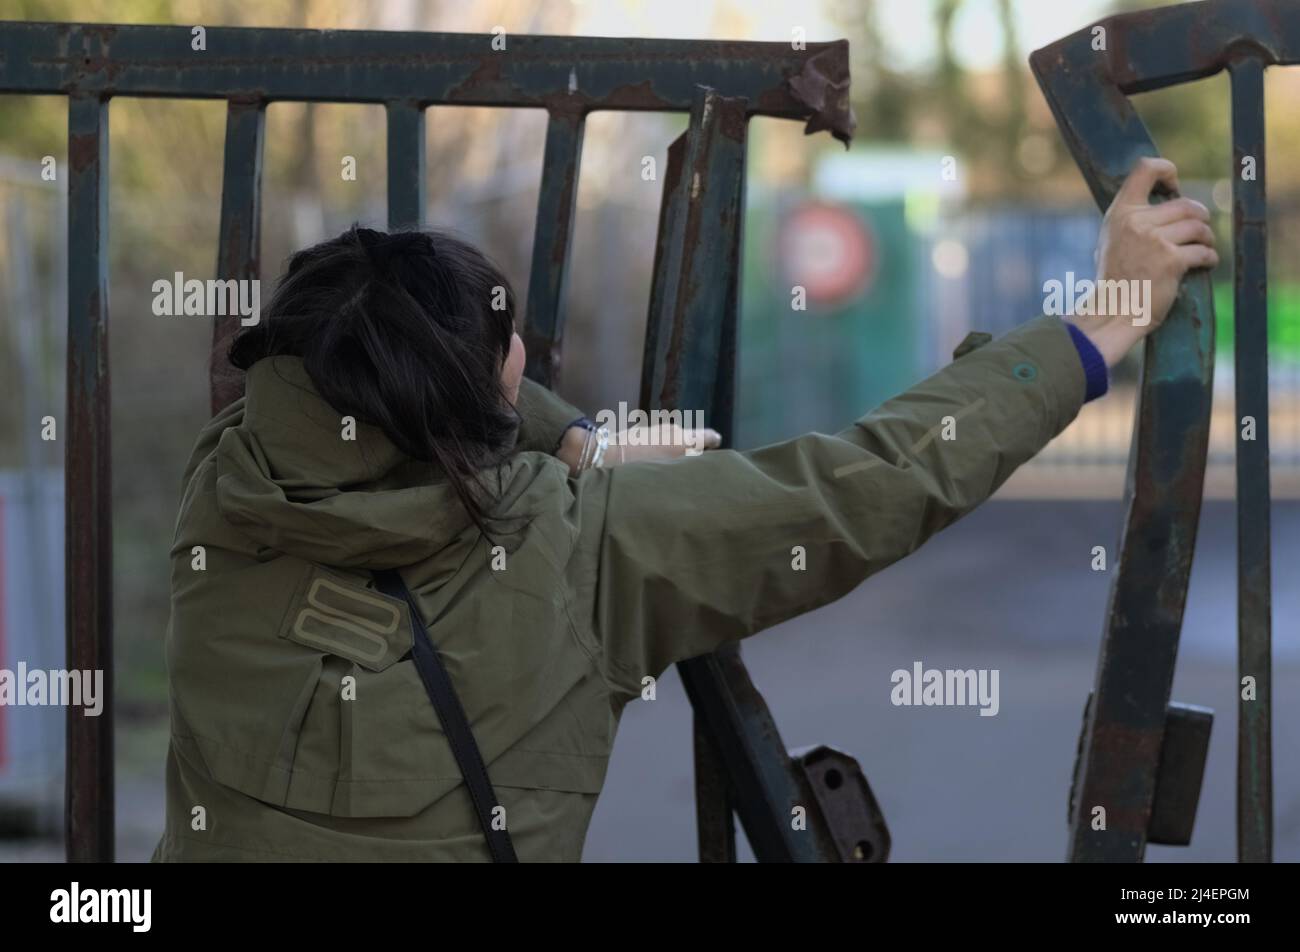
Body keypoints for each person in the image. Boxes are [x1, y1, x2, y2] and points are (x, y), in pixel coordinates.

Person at [152, 157, 1217, 862]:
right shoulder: (583, 544)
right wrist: (1103, 316)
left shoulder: (227, 491)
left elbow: (368, 390)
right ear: (489, 387)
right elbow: (868, 483)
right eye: (516, 351)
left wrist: (566, 435)